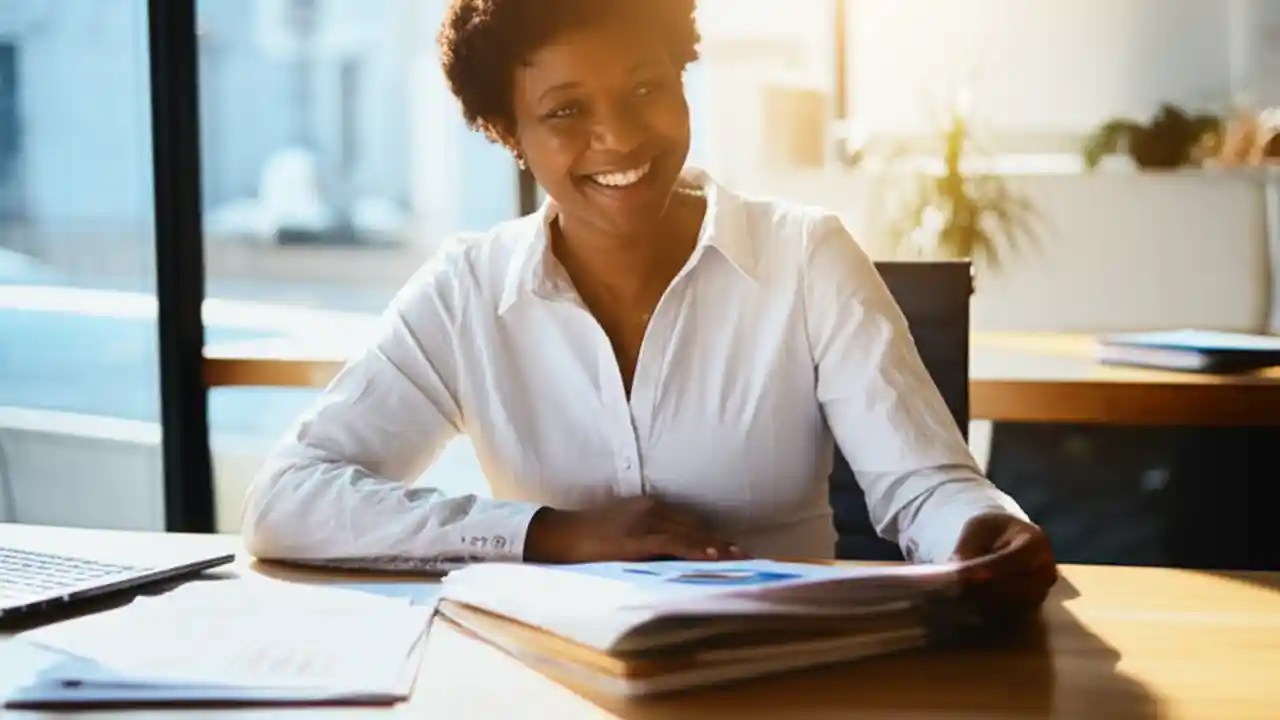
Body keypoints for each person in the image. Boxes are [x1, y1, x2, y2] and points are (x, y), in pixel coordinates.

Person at [243, 0, 1057, 615]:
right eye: (565, 111)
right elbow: (287, 501)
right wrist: (550, 533)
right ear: (507, 131)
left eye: (647, 88)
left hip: (782, 672)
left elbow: (926, 489)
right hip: (557, 678)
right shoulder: (467, 290)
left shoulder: (806, 257)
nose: (621, 136)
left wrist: (984, 529)